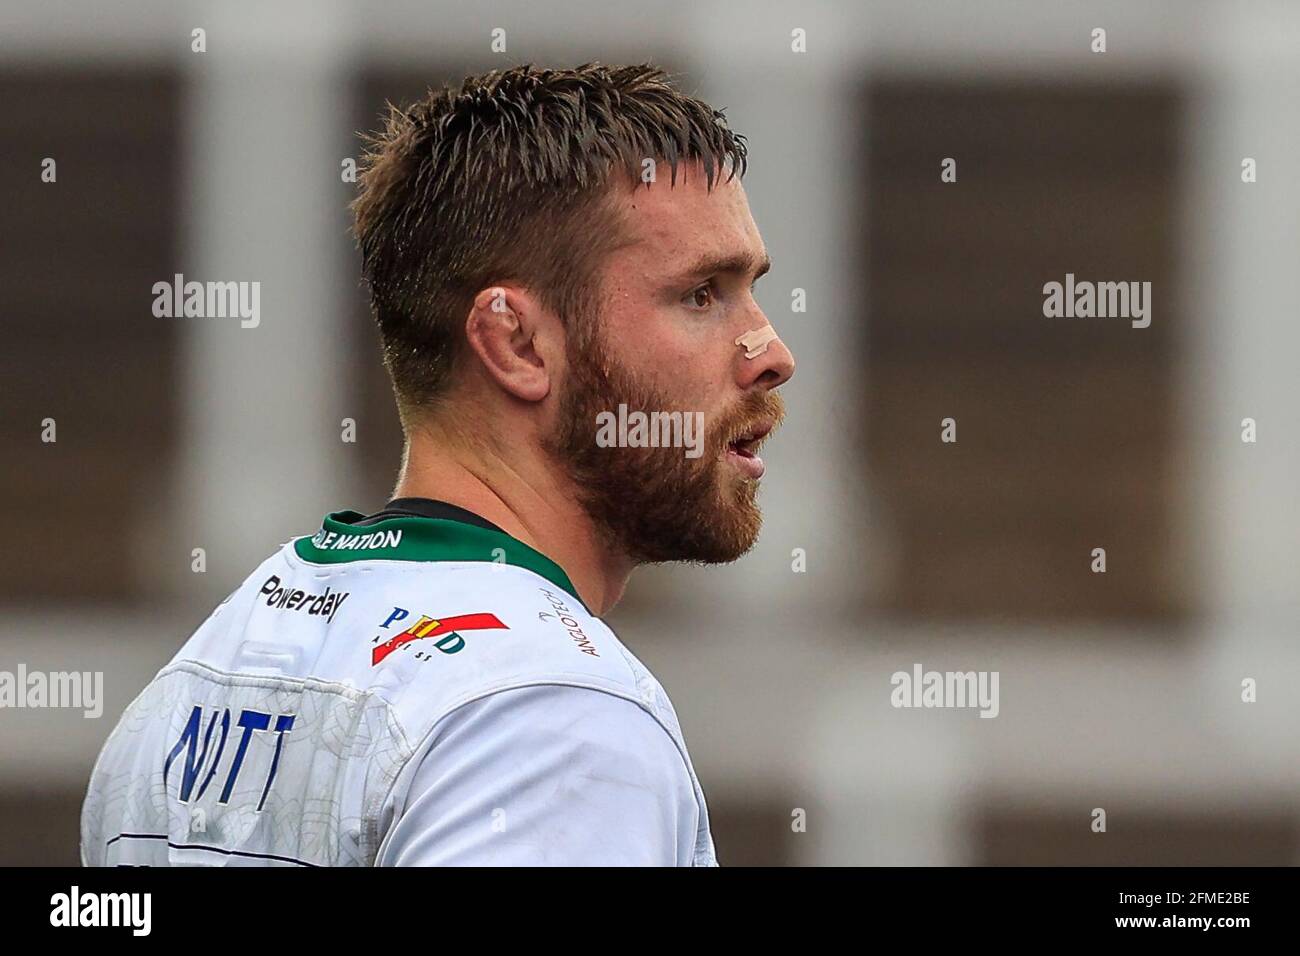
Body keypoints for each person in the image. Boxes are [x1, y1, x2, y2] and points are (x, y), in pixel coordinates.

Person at [81, 62, 795, 866]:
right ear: (516, 343)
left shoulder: (206, 669)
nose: (772, 354)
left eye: (751, 290)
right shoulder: (549, 717)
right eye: (702, 294)